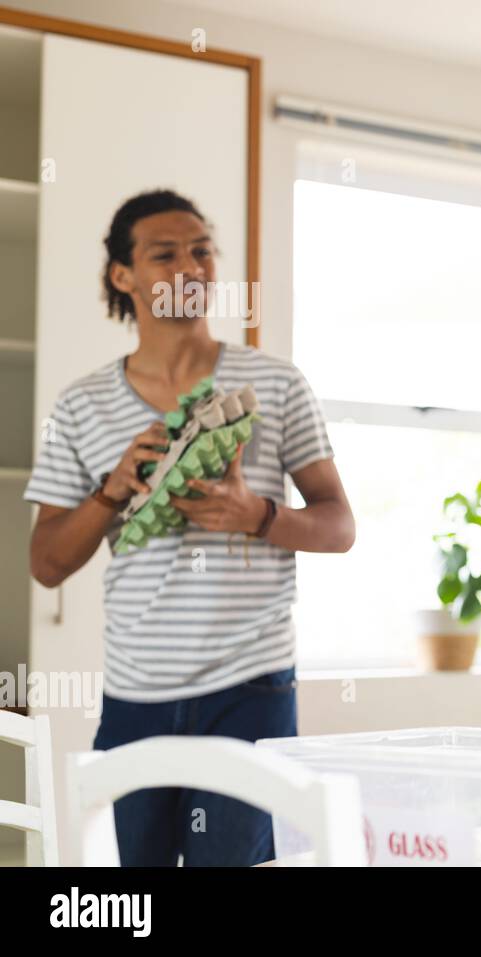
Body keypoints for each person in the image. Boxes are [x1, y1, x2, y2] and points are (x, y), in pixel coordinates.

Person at [25, 189, 356, 864]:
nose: (191, 266)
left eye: (203, 249)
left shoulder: (278, 383)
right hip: (135, 693)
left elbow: (339, 523)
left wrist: (257, 514)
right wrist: (112, 490)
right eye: (165, 253)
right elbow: (46, 561)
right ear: (125, 276)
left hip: (253, 686)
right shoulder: (81, 404)